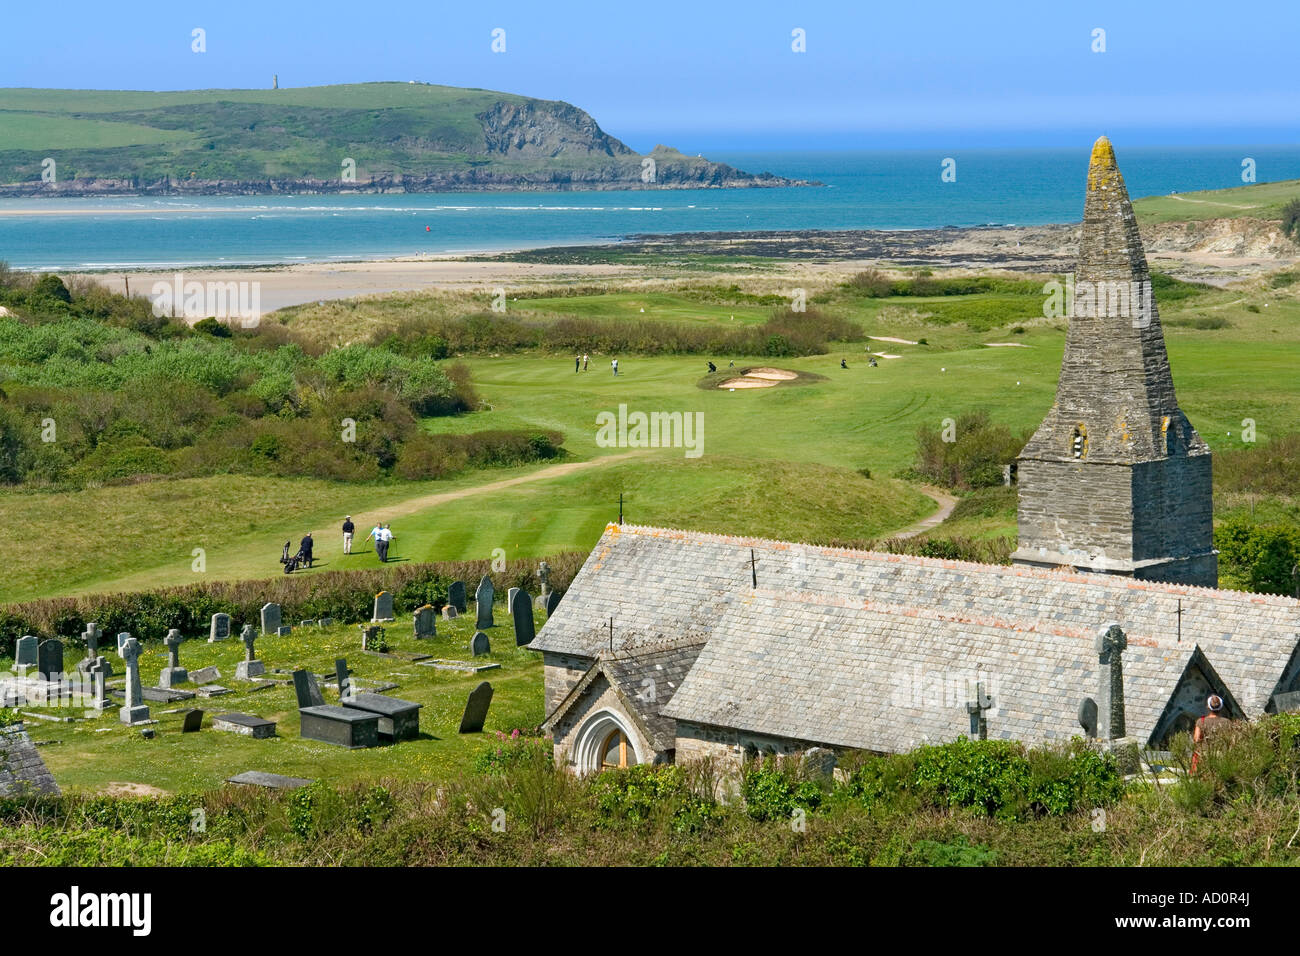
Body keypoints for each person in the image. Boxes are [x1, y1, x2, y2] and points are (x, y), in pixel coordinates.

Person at [1190, 694, 1229, 774]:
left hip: (1204, 754)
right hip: (1221, 754)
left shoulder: (1201, 721)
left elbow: (1196, 739)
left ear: (1208, 707)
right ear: (1221, 706)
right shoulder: (1227, 722)